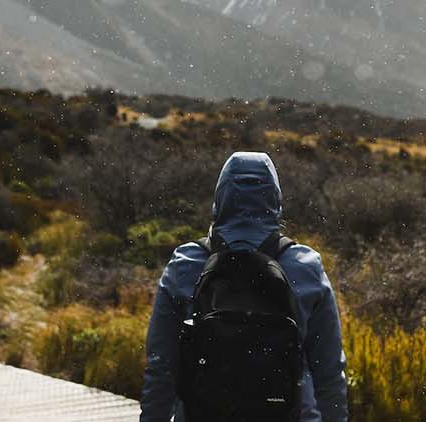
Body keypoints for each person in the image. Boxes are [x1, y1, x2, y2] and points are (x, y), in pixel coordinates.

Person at [141, 152, 348, 422]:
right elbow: (330, 375)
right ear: (275, 200)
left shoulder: (185, 264)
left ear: (220, 199)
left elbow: (161, 369)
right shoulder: (305, 267)